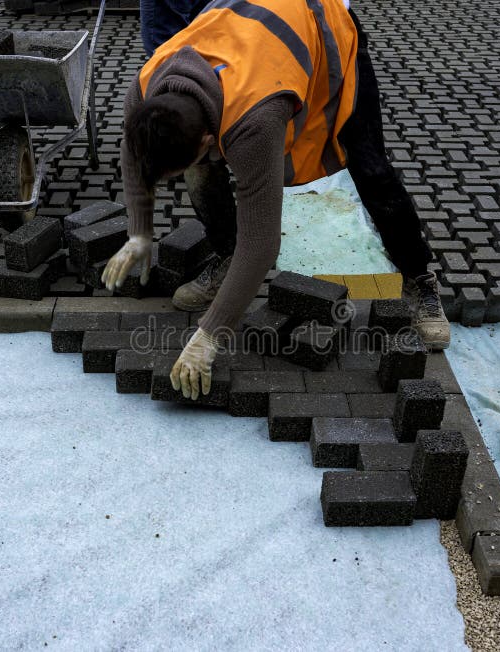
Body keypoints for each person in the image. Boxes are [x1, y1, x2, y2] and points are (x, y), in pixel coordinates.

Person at [103, 0, 449, 401]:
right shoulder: (147, 87)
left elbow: (264, 243)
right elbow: (133, 155)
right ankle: (225, 255)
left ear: (207, 140)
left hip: (324, 33)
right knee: (200, 173)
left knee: (370, 169)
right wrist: (139, 233)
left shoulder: (255, 121)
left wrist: (209, 335)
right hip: (248, 31)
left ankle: (419, 278)